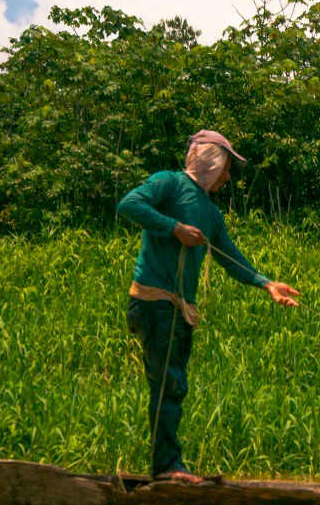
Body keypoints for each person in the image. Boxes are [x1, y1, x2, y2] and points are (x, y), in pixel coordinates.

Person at [117, 129, 300, 483]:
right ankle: (166, 467)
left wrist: (267, 284)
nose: (227, 177)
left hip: (179, 310)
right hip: (154, 303)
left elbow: (230, 257)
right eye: (226, 168)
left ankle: (168, 465)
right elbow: (129, 205)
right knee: (167, 383)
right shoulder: (168, 183)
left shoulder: (210, 213)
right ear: (210, 164)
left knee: (174, 384)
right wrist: (174, 228)